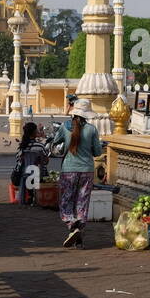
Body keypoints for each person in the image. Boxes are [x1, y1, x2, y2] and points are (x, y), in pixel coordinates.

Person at [56, 98, 103, 248]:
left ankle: (71, 224)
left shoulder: (65, 127)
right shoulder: (91, 129)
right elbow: (97, 152)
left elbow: (56, 146)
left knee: (66, 201)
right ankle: (79, 236)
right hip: (87, 171)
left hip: (69, 170)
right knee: (82, 203)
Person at [13, 121, 48, 206]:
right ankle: (33, 196)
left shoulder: (22, 147)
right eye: (36, 131)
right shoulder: (40, 146)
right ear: (34, 133)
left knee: (26, 173)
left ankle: (27, 196)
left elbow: (18, 159)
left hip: (23, 174)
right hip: (37, 174)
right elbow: (46, 161)